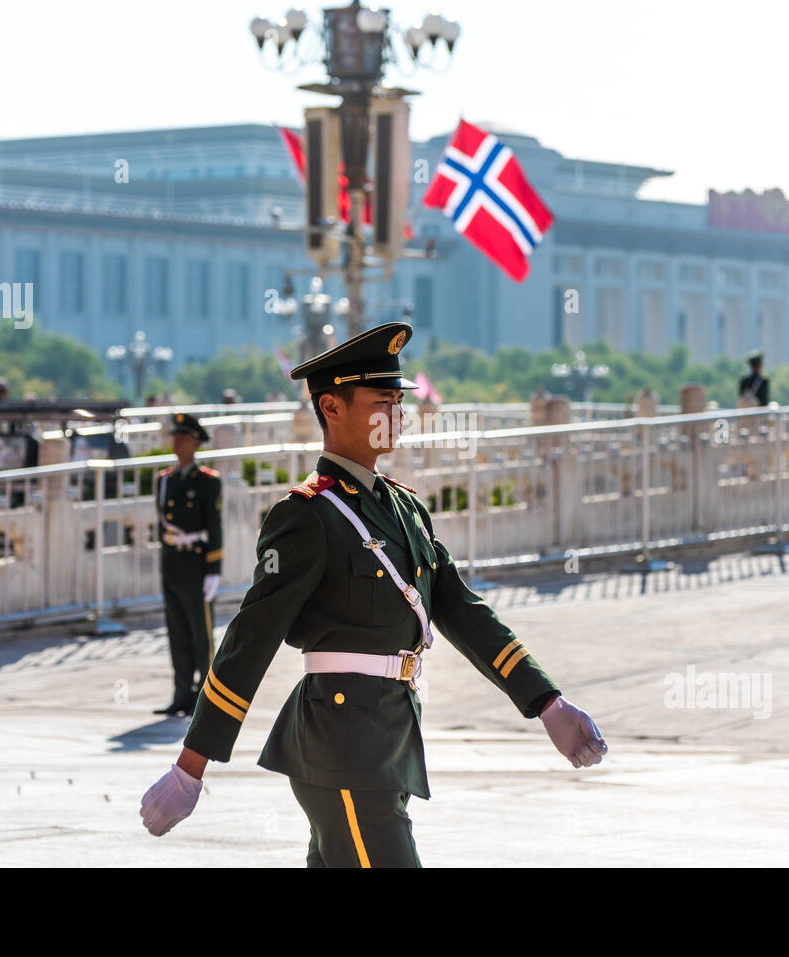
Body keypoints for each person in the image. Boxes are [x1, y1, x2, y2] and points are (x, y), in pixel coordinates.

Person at [139, 322, 607, 867]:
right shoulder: (307, 517)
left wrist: (545, 701)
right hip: (343, 742)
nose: (396, 412)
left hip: (391, 734)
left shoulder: (405, 508)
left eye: (398, 399)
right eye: (381, 399)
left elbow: (461, 610)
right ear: (332, 408)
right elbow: (251, 640)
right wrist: (190, 767)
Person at [154, 413, 223, 717]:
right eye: (175, 436)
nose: (177, 441)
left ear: (195, 443)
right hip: (172, 562)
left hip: (197, 562)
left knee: (200, 632)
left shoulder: (207, 482)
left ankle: (203, 695)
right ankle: (181, 693)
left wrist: (214, 570)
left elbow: (215, 526)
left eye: (183, 437)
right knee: (177, 629)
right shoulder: (164, 480)